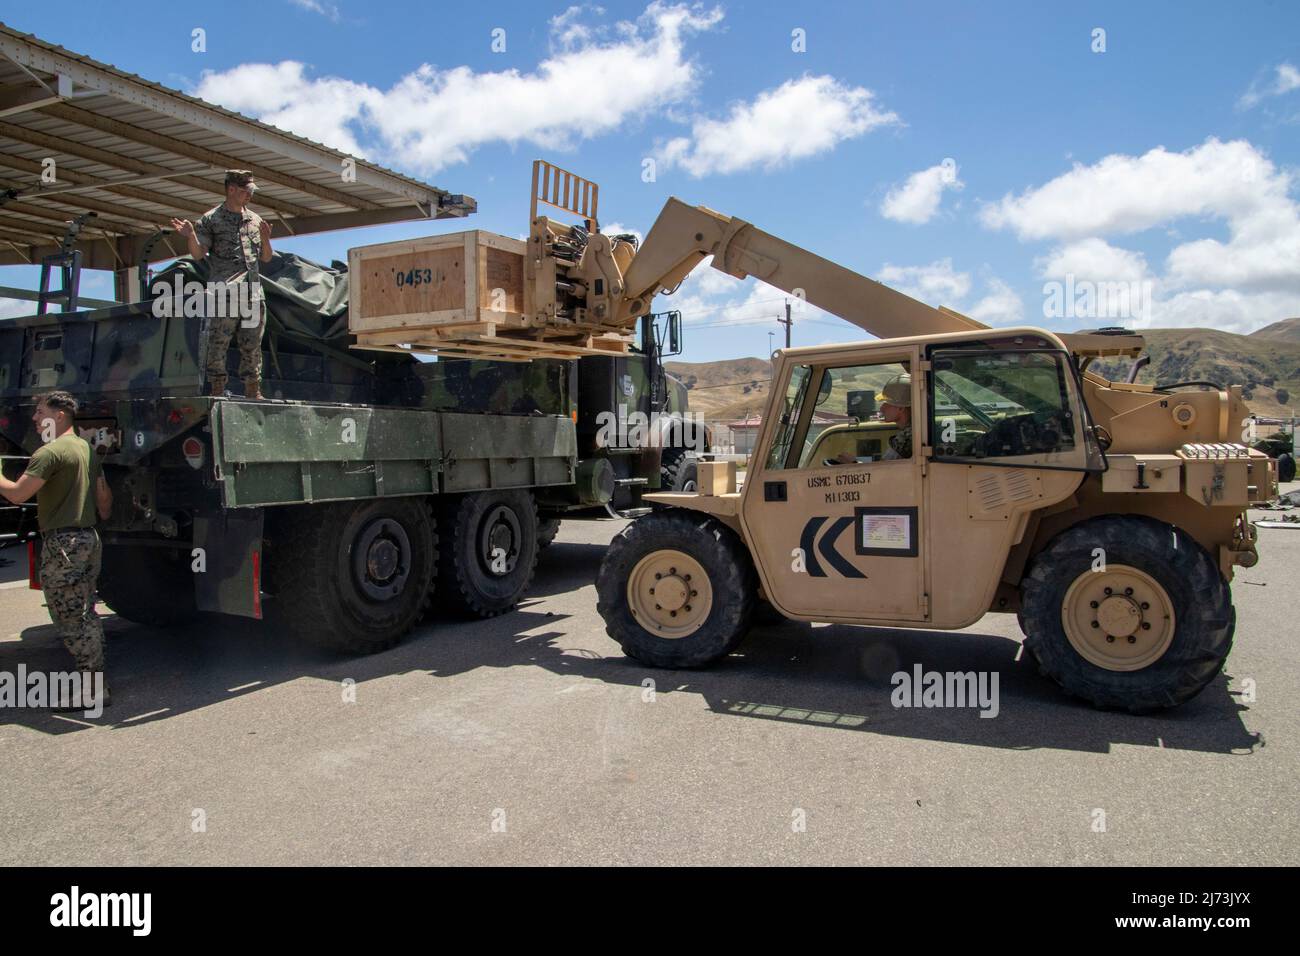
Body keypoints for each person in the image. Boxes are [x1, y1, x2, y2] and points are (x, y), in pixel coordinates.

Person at [0, 391, 113, 707]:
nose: (35, 418)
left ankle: (93, 688)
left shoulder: (48, 453)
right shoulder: (87, 450)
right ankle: (94, 680)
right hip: (88, 538)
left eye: (40, 412)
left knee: (70, 617)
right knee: (85, 612)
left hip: (63, 544)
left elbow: (19, 495)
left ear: (59, 415)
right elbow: (104, 503)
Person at [170, 169, 274, 400]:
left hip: (253, 292)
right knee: (218, 342)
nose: (250, 195)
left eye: (251, 191)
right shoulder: (211, 219)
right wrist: (190, 236)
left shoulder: (255, 220)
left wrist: (266, 239)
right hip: (224, 291)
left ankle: (252, 389)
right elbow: (198, 254)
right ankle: (217, 388)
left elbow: (266, 257)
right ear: (231, 190)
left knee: (252, 343)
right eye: (247, 191)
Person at [879, 374, 912, 460]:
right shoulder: (913, 431)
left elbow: (883, 470)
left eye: (887, 404)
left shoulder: (908, 437)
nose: (881, 408)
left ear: (901, 408)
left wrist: (853, 463)